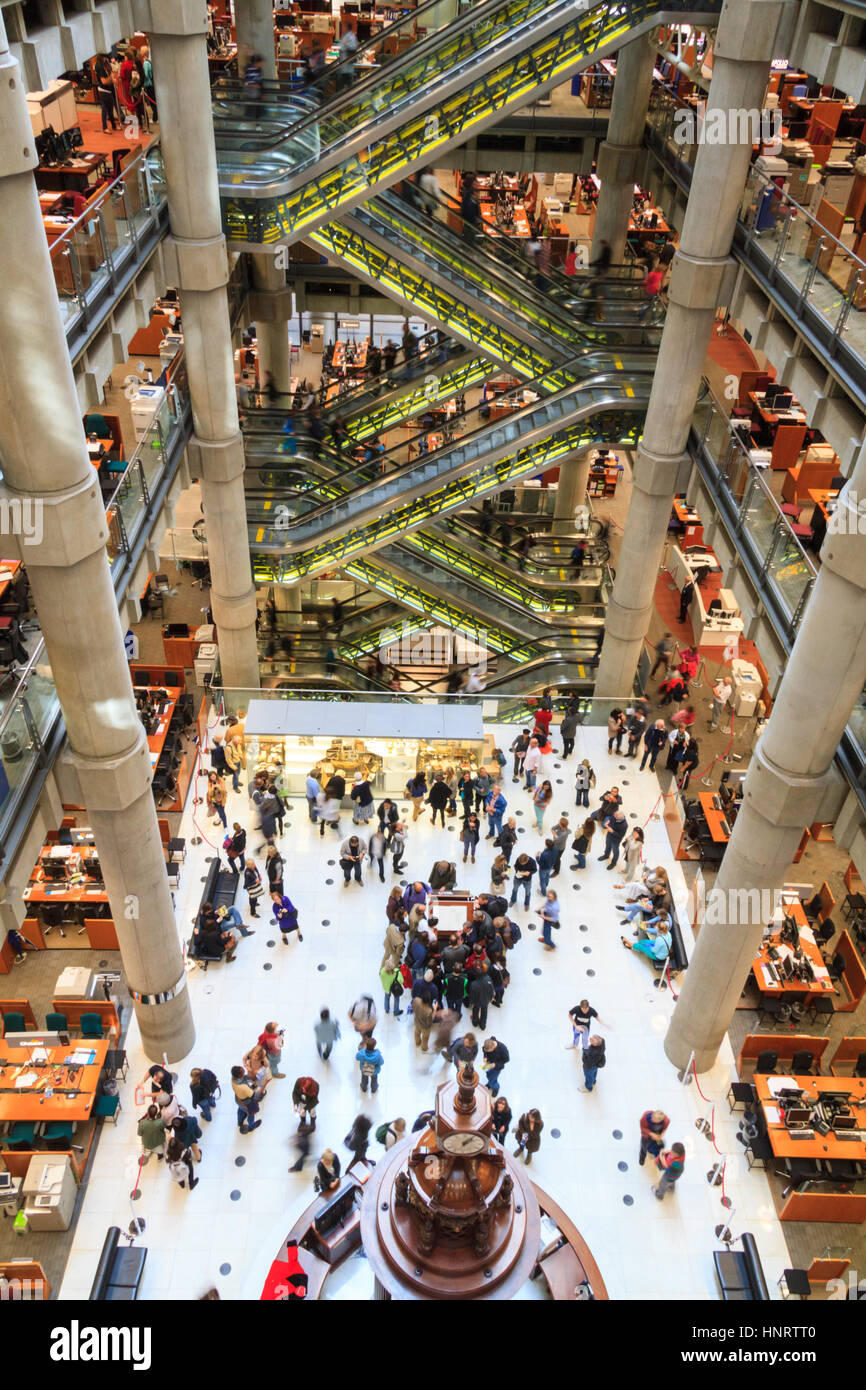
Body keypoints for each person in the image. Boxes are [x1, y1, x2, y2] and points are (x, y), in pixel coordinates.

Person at [231, 1066, 262, 1133]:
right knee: (250, 1115)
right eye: (243, 1071)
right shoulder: (243, 1087)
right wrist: (263, 1086)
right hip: (247, 1103)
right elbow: (255, 1096)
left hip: (238, 1099)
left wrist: (249, 1076)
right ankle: (252, 1126)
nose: (244, 1071)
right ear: (239, 1075)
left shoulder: (233, 1079)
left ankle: (240, 1122)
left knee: (240, 1110)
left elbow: (244, 1078)